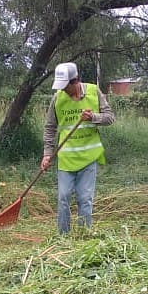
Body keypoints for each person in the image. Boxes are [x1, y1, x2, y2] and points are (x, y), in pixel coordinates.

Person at [41, 62, 115, 234]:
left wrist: (93, 117)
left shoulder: (93, 92)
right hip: (66, 159)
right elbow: (50, 127)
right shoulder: (58, 98)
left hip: (89, 157)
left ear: (75, 81)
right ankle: (63, 236)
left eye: (66, 86)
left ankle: (83, 236)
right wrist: (47, 154)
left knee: (85, 199)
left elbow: (110, 118)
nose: (63, 90)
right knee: (63, 197)